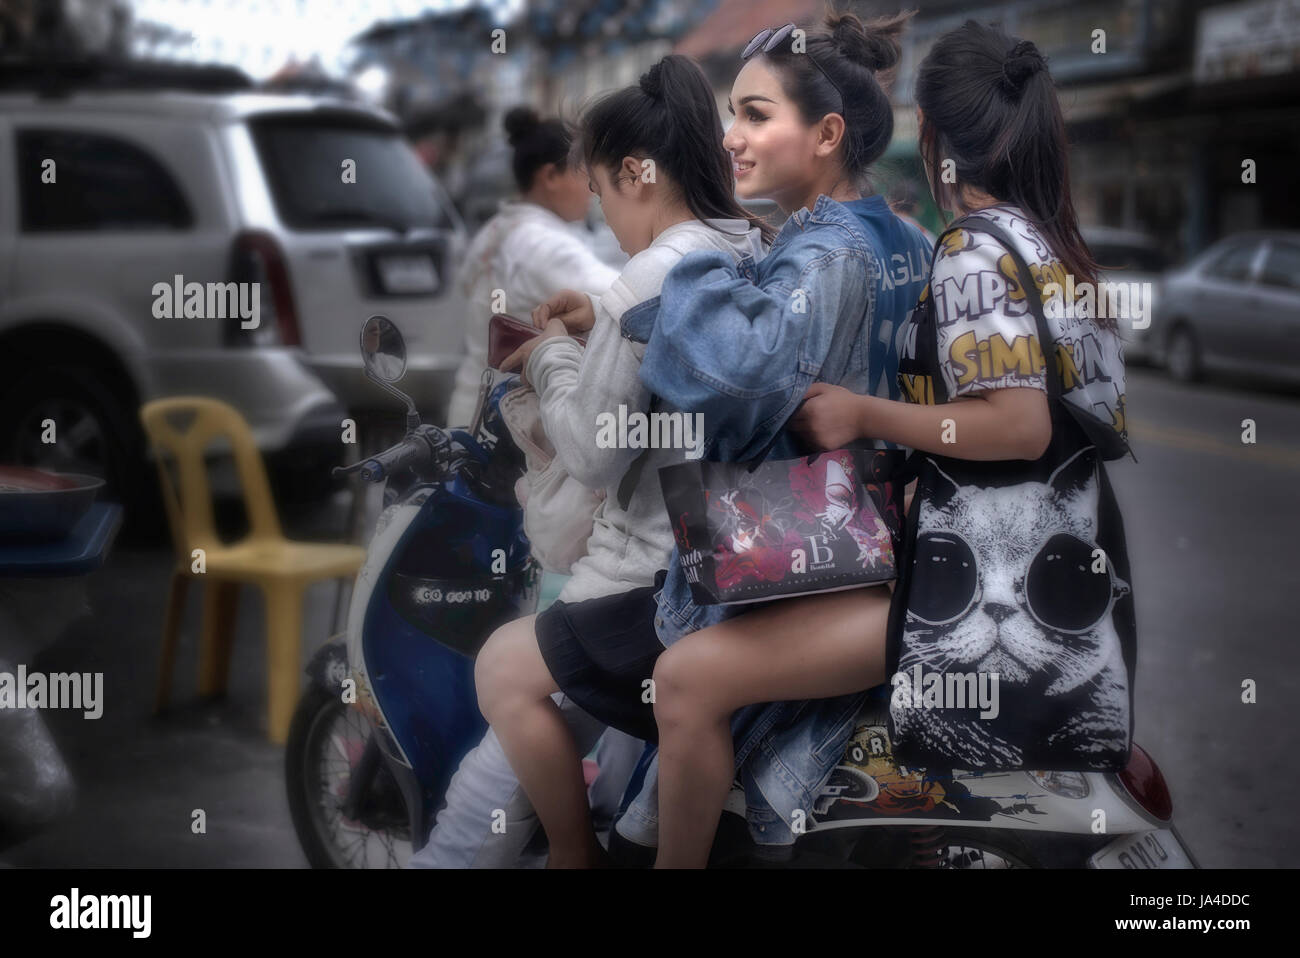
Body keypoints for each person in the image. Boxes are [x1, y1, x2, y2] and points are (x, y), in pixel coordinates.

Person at [641, 18, 1129, 867]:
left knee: (686, 680)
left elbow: (1019, 426)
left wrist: (865, 417)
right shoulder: (1050, 251)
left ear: (933, 135)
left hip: (971, 588)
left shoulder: (972, 253)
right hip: (1056, 573)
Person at [481, 10, 932, 867]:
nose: (732, 138)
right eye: (732, 114)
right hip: (856, 530)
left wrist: (639, 306)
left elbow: (744, 376)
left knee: (602, 679)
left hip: (794, 551)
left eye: (757, 115)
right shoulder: (897, 236)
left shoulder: (821, 254)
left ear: (828, 134)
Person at [442, 55, 774, 869]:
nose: (603, 213)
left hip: (649, 580)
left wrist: (551, 354)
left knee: (499, 672)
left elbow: (593, 452)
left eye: (602, 191)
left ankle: (569, 854)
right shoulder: (745, 245)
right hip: (736, 559)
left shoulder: (650, 273)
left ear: (635, 172)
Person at [445, 107, 619, 428]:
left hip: (471, 409)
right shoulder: (543, 245)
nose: (592, 188)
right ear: (550, 176)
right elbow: (632, 299)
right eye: (583, 173)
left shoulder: (495, 230)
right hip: (508, 428)